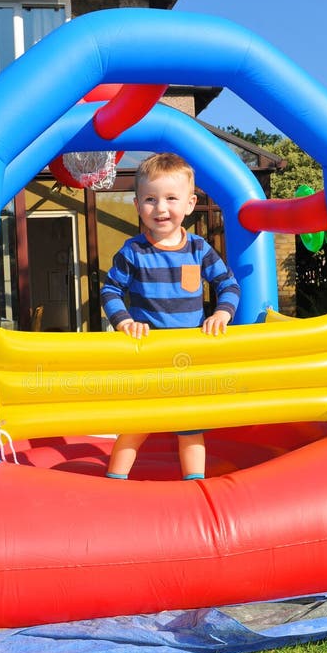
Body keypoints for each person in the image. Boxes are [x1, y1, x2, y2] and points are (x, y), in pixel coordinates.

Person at [101, 152, 241, 480]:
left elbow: (228, 284)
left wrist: (222, 313)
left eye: (171, 198)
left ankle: (195, 486)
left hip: (187, 356)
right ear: (137, 205)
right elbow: (110, 290)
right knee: (136, 424)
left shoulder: (198, 249)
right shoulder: (133, 252)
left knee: (189, 428)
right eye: (150, 199)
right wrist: (124, 321)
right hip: (149, 355)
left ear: (190, 204)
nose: (160, 208)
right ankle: (114, 484)